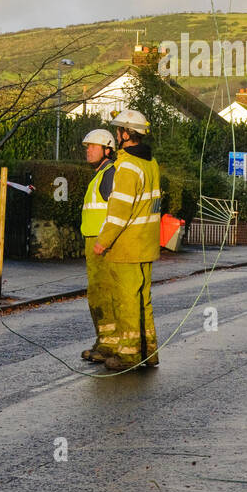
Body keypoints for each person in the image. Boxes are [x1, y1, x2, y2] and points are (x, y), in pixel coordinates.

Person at [92, 108, 161, 371]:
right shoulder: (150, 163)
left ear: (124, 133)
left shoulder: (127, 166)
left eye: (117, 130)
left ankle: (129, 355)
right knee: (143, 299)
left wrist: (103, 241)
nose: (116, 134)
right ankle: (148, 352)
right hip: (147, 243)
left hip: (128, 245)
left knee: (126, 299)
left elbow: (120, 211)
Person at [80, 128, 117, 363]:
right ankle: (103, 341)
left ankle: (109, 345)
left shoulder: (110, 174)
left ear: (107, 149)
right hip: (94, 241)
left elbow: (116, 211)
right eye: (87, 147)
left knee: (104, 294)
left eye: (93, 146)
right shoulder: (100, 174)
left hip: (102, 243)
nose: (88, 150)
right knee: (96, 295)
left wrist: (105, 241)